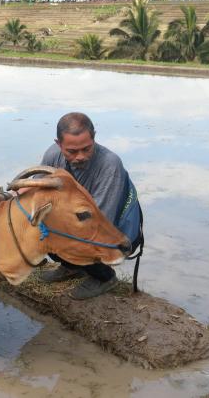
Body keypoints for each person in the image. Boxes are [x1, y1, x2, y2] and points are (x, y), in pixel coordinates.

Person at [38, 112, 143, 300]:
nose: (80, 156)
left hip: (113, 232)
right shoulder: (52, 155)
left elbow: (99, 224)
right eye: (71, 151)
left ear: (94, 138)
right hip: (77, 222)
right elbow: (36, 194)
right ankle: (71, 267)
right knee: (38, 230)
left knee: (61, 236)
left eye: (86, 149)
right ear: (59, 144)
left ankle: (105, 277)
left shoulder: (110, 165)